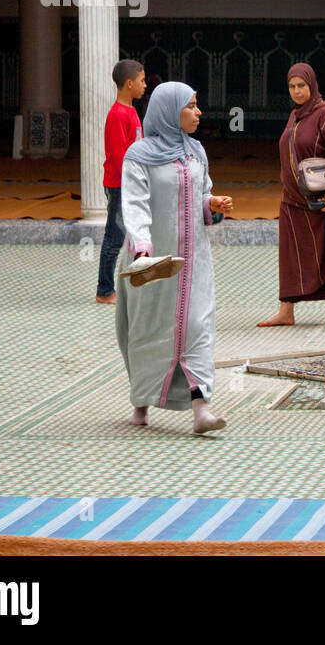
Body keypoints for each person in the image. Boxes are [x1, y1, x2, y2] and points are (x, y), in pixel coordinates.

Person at [116, 81, 234, 435]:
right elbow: (134, 205)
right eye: (191, 106)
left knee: (197, 328)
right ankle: (141, 401)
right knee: (148, 331)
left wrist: (212, 205)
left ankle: (202, 410)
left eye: (197, 106)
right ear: (170, 110)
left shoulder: (196, 152)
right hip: (152, 263)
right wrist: (142, 248)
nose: (198, 113)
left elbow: (202, 194)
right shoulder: (138, 155)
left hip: (194, 264)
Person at [257, 63, 325, 329]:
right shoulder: (296, 115)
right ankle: (286, 310)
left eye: (301, 86)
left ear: (312, 85)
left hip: (319, 201)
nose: (296, 91)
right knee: (290, 254)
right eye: (292, 87)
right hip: (293, 200)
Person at [97, 59, 146, 305]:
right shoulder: (117, 115)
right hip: (120, 185)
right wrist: (133, 182)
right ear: (129, 83)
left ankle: (133, 282)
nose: (145, 86)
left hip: (131, 184)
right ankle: (105, 290)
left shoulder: (132, 111)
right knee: (114, 238)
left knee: (132, 235)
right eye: (142, 81)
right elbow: (119, 157)